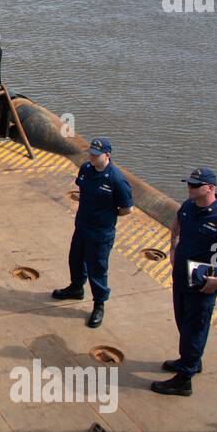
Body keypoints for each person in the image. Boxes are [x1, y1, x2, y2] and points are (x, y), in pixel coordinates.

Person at [153, 168, 217, 397]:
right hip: (182, 278)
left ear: (210, 188)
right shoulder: (188, 207)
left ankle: (184, 380)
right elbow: (176, 225)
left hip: (203, 285)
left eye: (195, 185)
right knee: (183, 322)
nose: (189, 188)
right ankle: (192, 360)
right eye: (189, 184)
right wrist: (173, 248)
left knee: (195, 328)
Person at [52, 138, 134, 328]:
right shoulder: (86, 169)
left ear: (107, 155)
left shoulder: (116, 179)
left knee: (97, 269)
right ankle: (76, 288)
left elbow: (127, 209)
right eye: (91, 154)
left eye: (96, 155)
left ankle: (99, 304)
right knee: (75, 259)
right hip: (82, 226)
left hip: (100, 233)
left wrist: (106, 217)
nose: (92, 157)